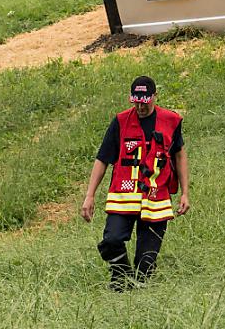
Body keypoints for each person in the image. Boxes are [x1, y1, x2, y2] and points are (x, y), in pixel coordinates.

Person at [80, 75, 190, 290]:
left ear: (154, 96)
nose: (140, 106)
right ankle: (120, 278)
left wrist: (185, 192)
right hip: (124, 195)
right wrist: (90, 195)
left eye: (145, 101)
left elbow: (179, 155)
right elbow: (102, 158)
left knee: (145, 268)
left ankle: (134, 288)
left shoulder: (171, 121)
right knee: (111, 241)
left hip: (156, 197)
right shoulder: (120, 122)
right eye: (136, 101)